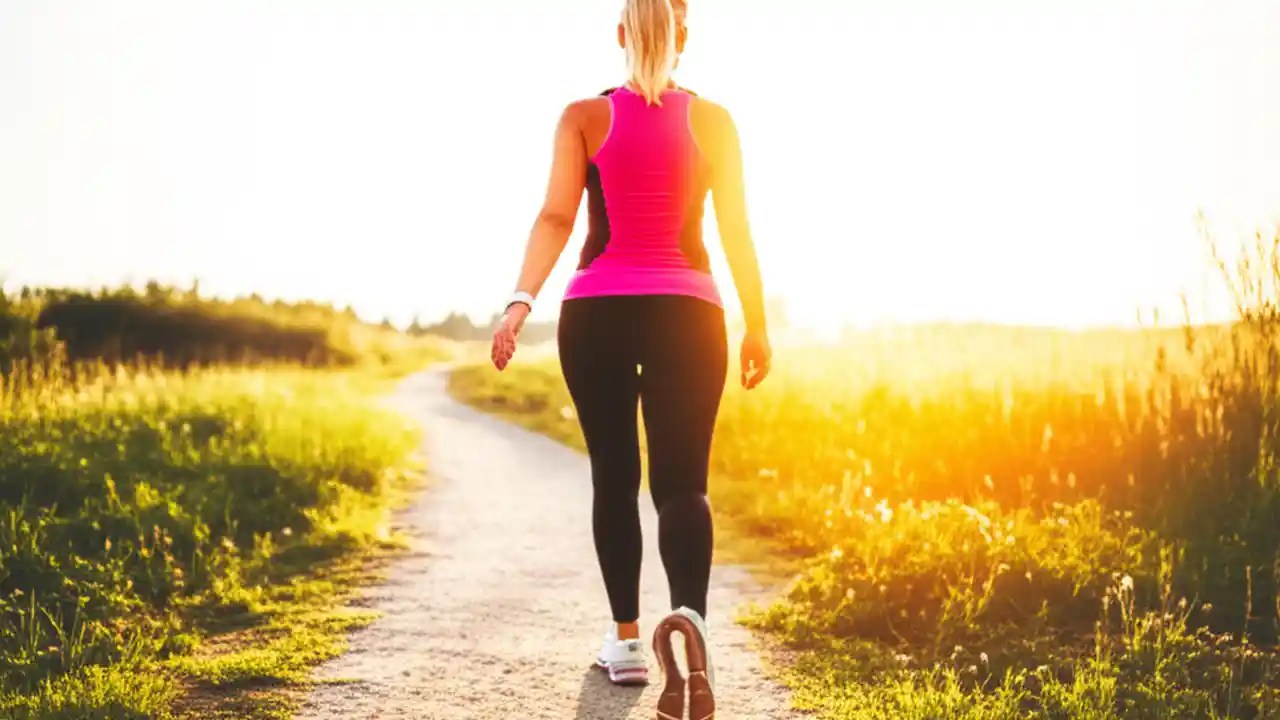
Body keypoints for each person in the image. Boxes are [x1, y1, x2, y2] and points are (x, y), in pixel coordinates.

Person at [490, 0, 770, 715]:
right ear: (683, 37)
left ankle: (625, 645)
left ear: (620, 36)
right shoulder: (715, 121)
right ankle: (693, 628)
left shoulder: (584, 116)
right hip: (689, 313)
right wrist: (758, 325)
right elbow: (736, 230)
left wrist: (520, 300)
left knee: (615, 478)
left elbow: (556, 217)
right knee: (683, 487)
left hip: (598, 312)